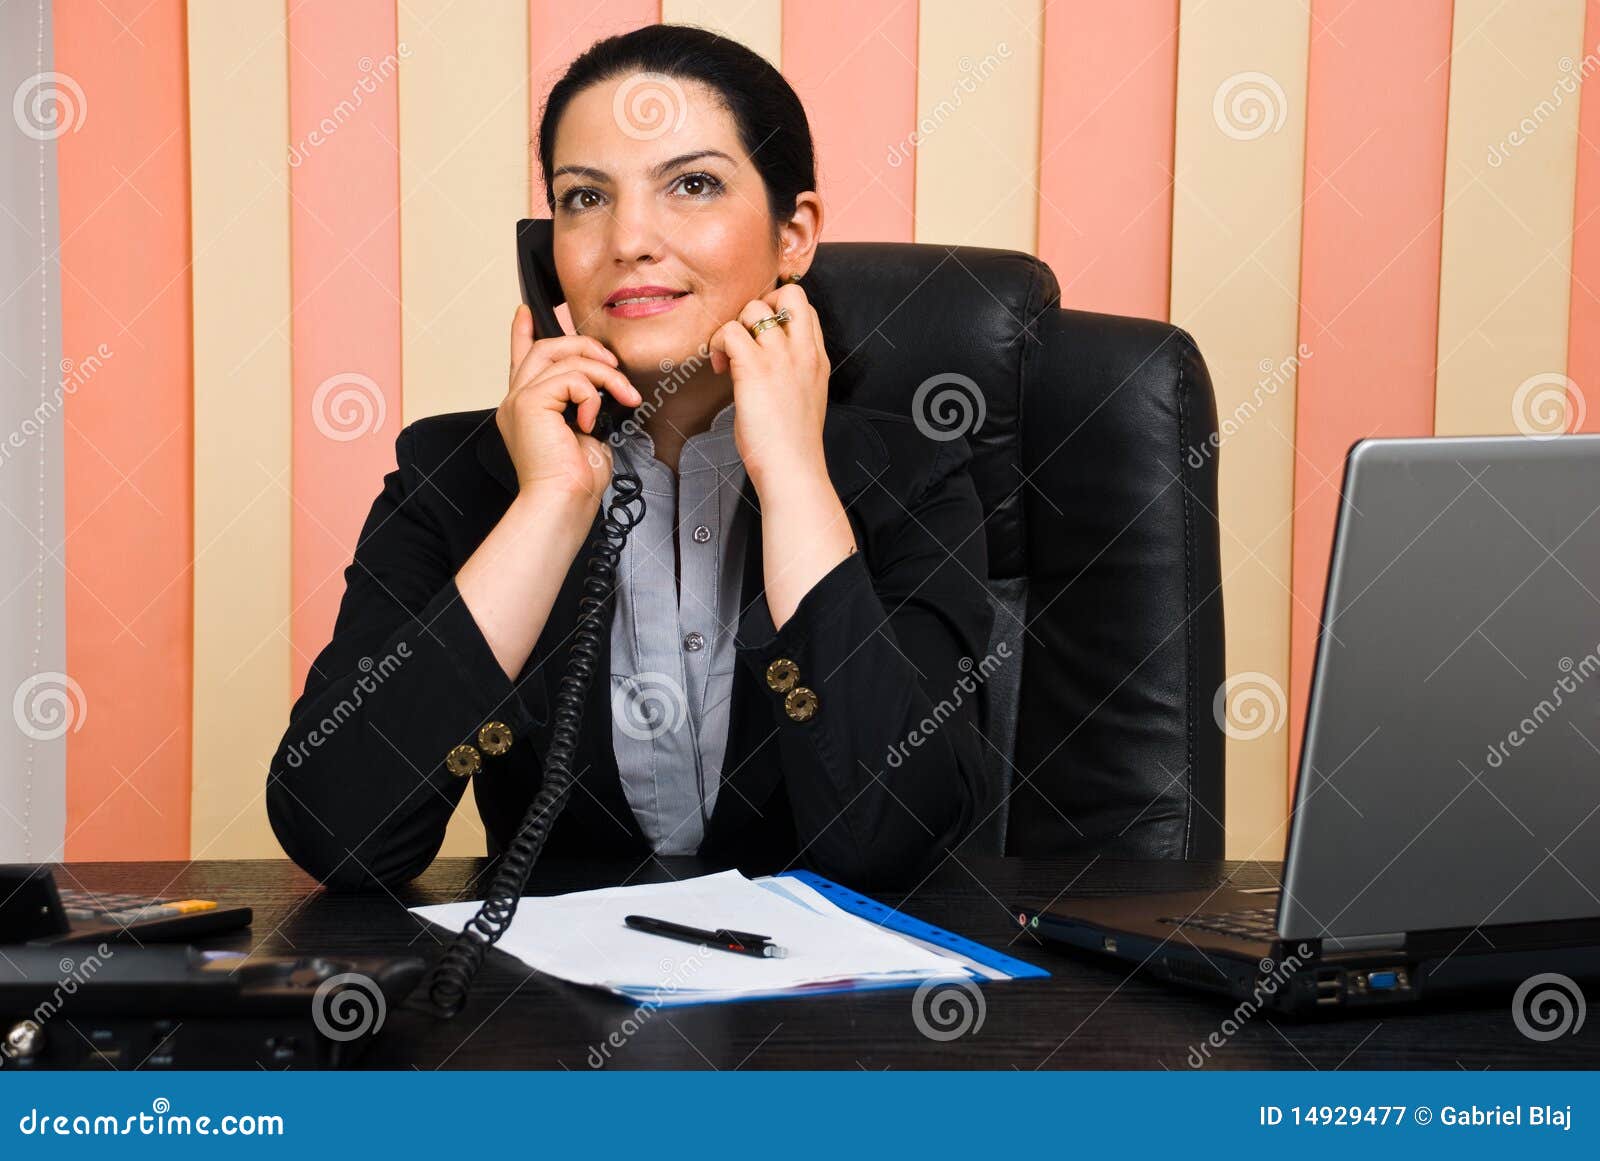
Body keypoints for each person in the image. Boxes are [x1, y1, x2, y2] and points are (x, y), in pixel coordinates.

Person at [266, 25, 995, 892]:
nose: (629, 239)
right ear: (545, 256)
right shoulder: (452, 474)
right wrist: (550, 501)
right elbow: (339, 830)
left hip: (830, 1021)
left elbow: (894, 838)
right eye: (584, 198)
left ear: (793, 233)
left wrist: (796, 477)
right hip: (552, 1013)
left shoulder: (915, 473)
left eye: (692, 184)